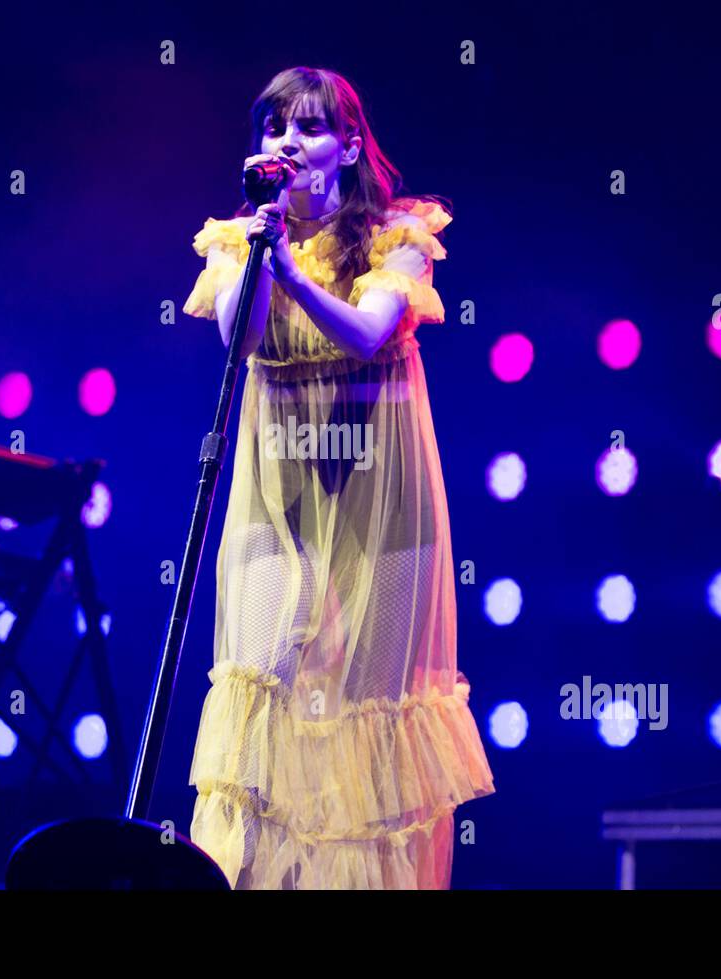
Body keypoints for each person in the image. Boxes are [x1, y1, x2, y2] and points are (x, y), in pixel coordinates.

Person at [182, 67, 496, 889]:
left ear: (349, 146)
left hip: (379, 503)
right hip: (275, 494)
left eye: (311, 126)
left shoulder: (400, 237)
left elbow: (365, 335)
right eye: (275, 125)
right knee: (261, 680)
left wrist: (289, 271)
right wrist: (264, 251)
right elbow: (242, 341)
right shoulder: (238, 241)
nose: (289, 139)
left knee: (368, 703)